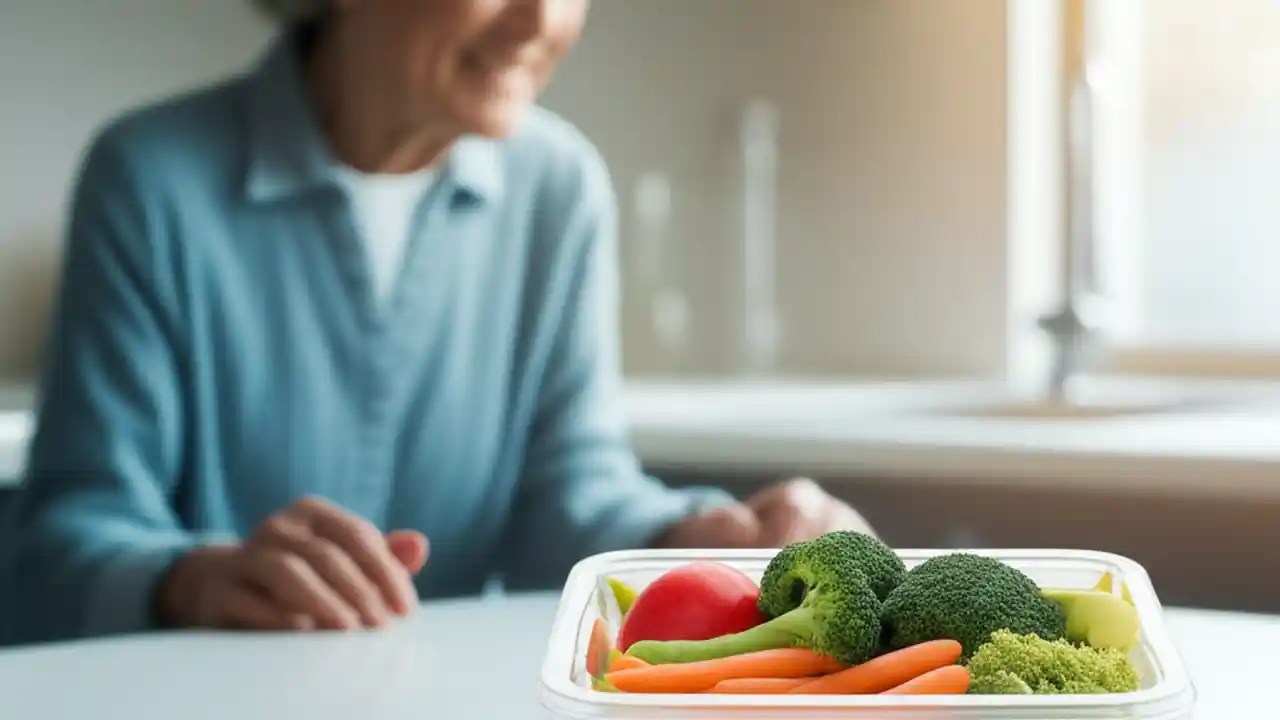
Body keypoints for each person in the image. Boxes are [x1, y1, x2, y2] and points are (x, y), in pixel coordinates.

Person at [0, 0, 874, 644]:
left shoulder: (557, 187)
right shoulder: (152, 180)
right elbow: (64, 547)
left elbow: (568, 504)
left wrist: (711, 537)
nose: (542, 19)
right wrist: (194, 579)